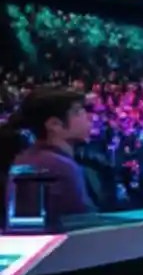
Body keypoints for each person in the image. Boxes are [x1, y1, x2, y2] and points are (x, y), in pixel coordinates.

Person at [0, 86, 96, 228]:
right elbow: (88, 230)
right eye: (77, 112)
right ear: (54, 124)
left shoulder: (29, 158)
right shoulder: (58, 166)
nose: (89, 117)